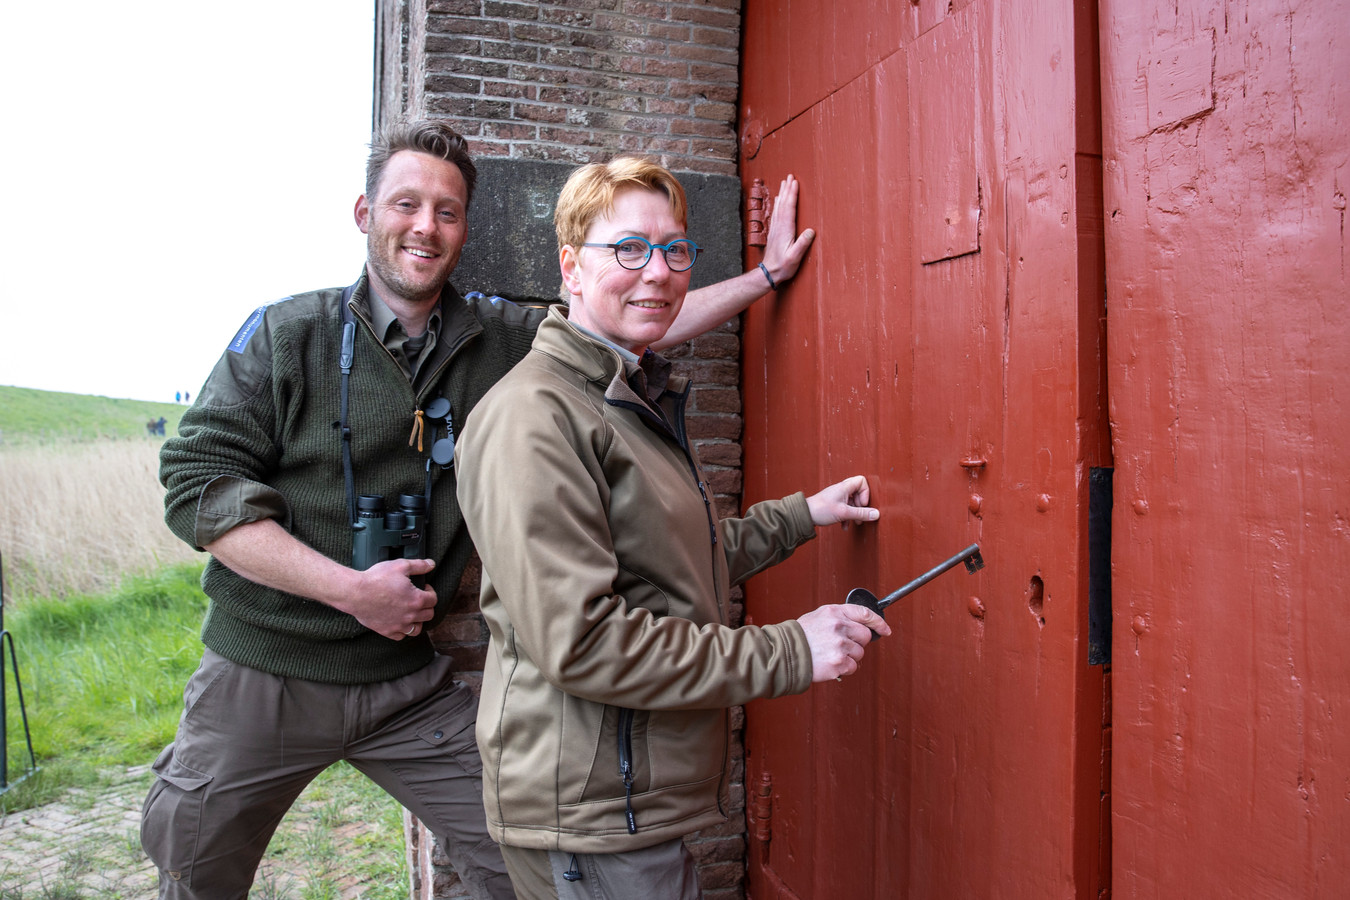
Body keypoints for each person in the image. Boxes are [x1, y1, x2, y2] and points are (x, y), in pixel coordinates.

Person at [142, 119, 816, 900]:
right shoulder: (287, 336)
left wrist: (764, 280)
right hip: (265, 671)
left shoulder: (497, 339)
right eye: (406, 204)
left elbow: (634, 315)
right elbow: (197, 486)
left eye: (448, 210)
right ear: (365, 214)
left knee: (516, 858)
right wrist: (347, 588)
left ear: (466, 228)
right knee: (194, 871)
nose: (425, 226)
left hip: (403, 687)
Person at [454, 156, 890, 900]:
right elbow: (583, 641)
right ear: (572, 268)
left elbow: (670, 558)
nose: (657, 272)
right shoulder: (537, 417)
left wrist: (799, 518)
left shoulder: (622, 392)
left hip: (625, 803)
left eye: (675, 249)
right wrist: (789, 650)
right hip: (588, 816)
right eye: (628, 248)